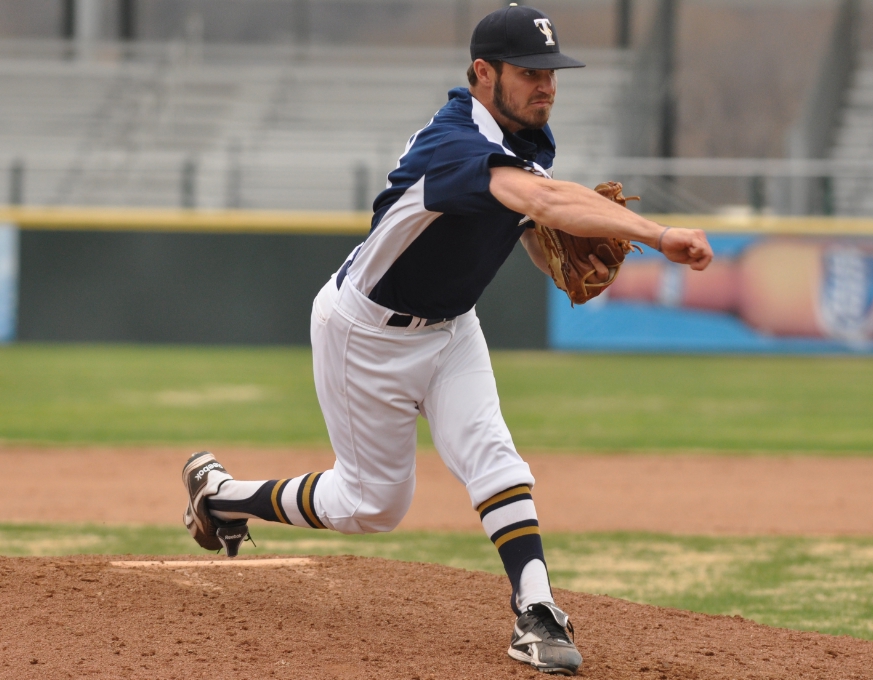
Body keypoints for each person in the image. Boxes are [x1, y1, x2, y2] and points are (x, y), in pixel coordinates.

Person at [181, 4, 712, 675]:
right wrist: (659, 235)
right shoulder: (454, 142)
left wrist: (557, 261)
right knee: (371, 506)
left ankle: (537, 611)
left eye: (552, 72)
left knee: (493, 455)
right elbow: (543, 204)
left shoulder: (526, 138)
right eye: (529, 72)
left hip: (452, 329)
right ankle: (221, 496)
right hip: (365, 335)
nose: (546, 85)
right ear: (483, 73)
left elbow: (526, 224)